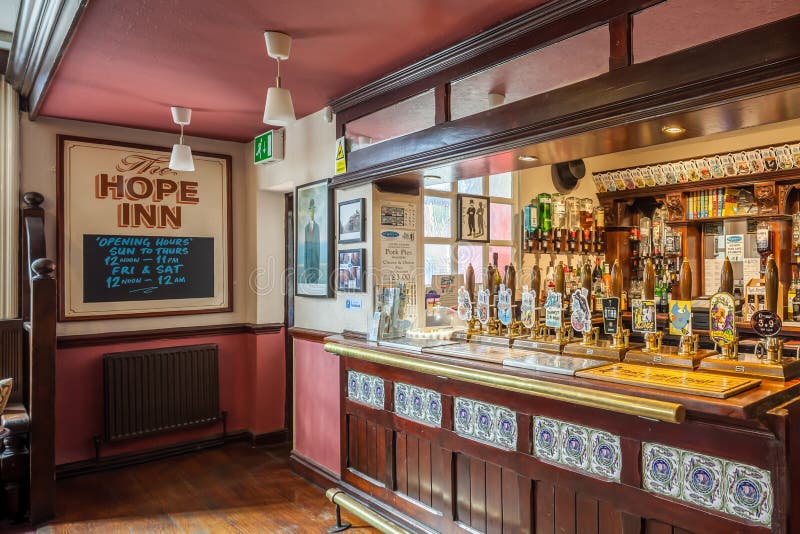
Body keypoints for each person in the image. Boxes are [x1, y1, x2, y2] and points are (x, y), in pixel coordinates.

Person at [304, 198, 320, 283]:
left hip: (315, 260)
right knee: (308, 282)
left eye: (313, 209)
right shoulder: (306, 228)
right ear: (309, 211)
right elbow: (305, 248)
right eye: (311, 209)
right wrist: (305, 268)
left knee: (315, 281)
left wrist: (318, 267)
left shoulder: (317, 227)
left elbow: (318, 247)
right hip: (308, 260)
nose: (312, 212)